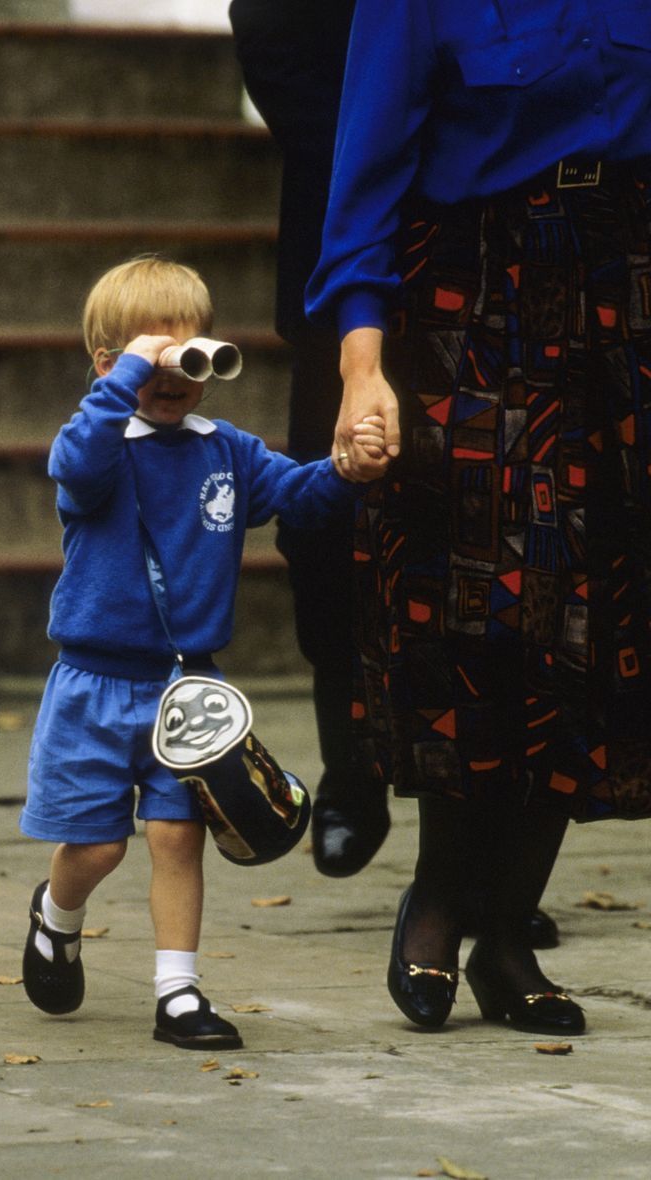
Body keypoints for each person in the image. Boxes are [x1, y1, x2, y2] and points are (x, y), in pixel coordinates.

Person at [307, 0, 651, 1035]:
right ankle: (439, 895)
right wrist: (360, 366)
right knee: (475, 616)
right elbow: (365, 174)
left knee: (595, 621)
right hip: (473, 303)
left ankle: (506, 934)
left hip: (622, 299)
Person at [19, 255, 384, 1049]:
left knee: (178, 836)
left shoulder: (227, 450)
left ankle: (178, 992)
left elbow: (296, 497)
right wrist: (127, 377)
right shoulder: (100, 448)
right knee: (97, 845)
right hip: (95, 683)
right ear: (108, 364)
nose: (174, 375)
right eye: (154, 357)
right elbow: (74, 463)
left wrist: (347, 468)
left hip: (186, 691)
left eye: (190, 355)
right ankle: (57, 915)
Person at [229, 0, 392, 877]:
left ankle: (489, 857)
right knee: (325, 526)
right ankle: (352, 774)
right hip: (340, 248)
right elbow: (266, 24)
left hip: (497, 250)